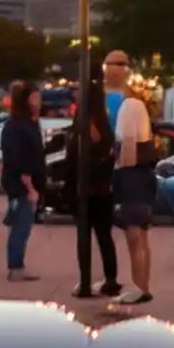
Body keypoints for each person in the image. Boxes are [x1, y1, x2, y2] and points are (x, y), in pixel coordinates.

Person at [105, 50, 155, 306]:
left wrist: (119, 170)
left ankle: (138, 286)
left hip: (131, 178)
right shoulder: (138, 106)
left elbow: (128, 149)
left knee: (134, 236)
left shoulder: (127, 107)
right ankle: (143, 286)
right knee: (142, 237)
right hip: (143, 178)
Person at [65, 73, 121, 297]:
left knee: (85, 238)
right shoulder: (103, 124)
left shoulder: (84, 123)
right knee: (104, 237)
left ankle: (86, 280)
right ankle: (110, 279)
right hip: (102, 189)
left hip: (86, 190)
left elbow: (75, 157)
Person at [0, 82, 47, 282]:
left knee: (22, 224)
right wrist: (29, 185)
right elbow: (18, 157)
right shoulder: (16, 126)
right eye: (35, 97)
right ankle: (16, 266)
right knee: (21, 225)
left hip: (28, 181)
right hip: (21, 183)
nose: (40, 102)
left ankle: (17, 264)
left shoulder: (31, 123)